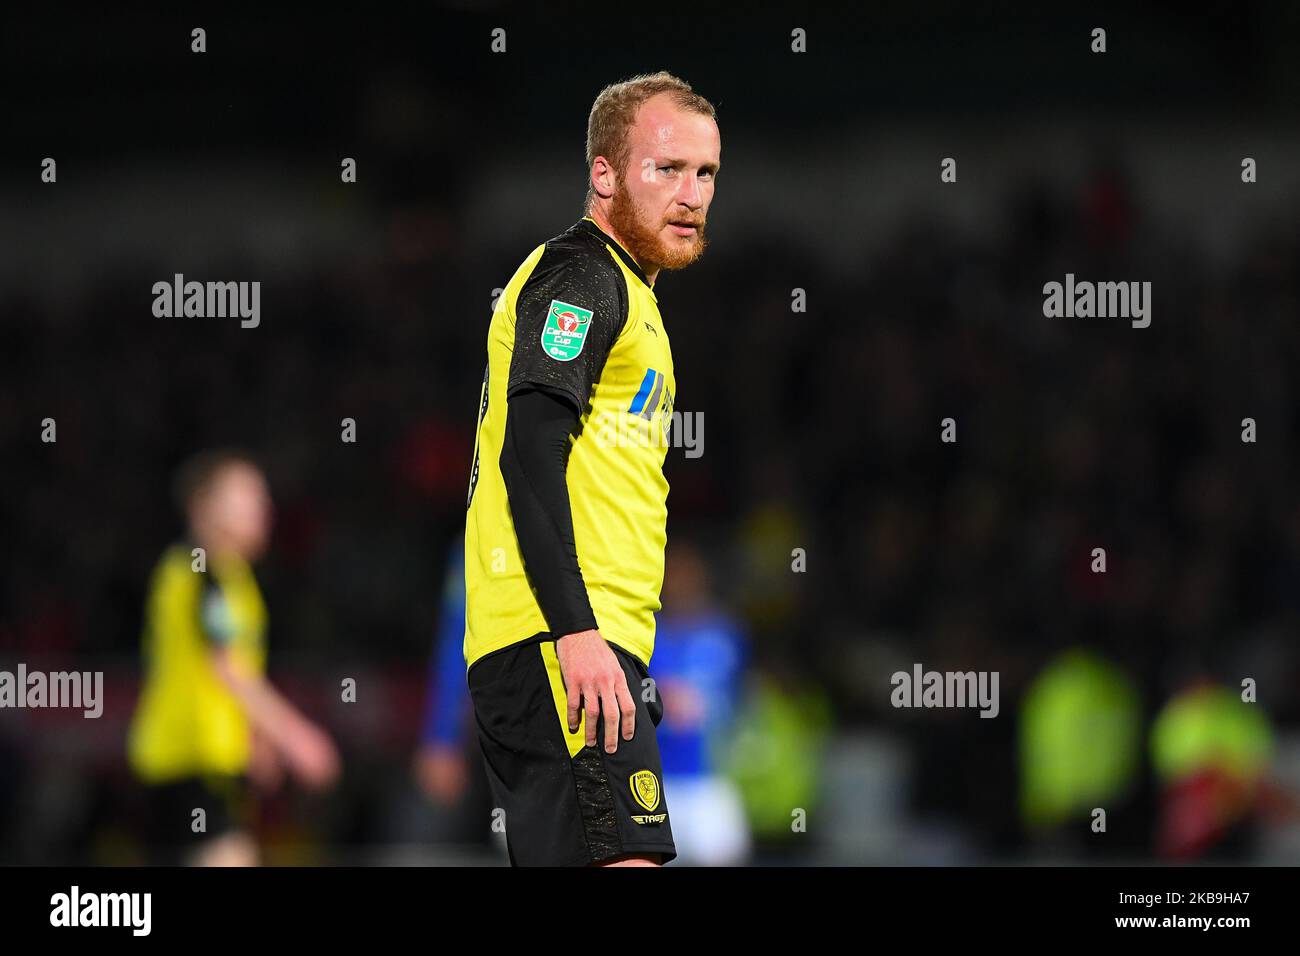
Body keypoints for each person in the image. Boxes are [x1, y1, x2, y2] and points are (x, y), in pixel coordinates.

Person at [462, 71, 721, 866]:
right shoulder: (581, 274)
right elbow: (529, 452)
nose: (691, 194)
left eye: (706, 173)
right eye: (666, 168)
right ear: (604, 175)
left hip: (581, 641)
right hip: (561, 638)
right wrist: (579, 634)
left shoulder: (634, 296)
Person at [127, 450, 340, 865]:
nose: (264, 508)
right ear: (204, 506)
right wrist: (295, 737)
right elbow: (227, 667)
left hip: (209, 764)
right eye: (247, 495)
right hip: (188, 761)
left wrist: (253, 739)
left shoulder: (233, 578)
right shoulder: (200, 569)